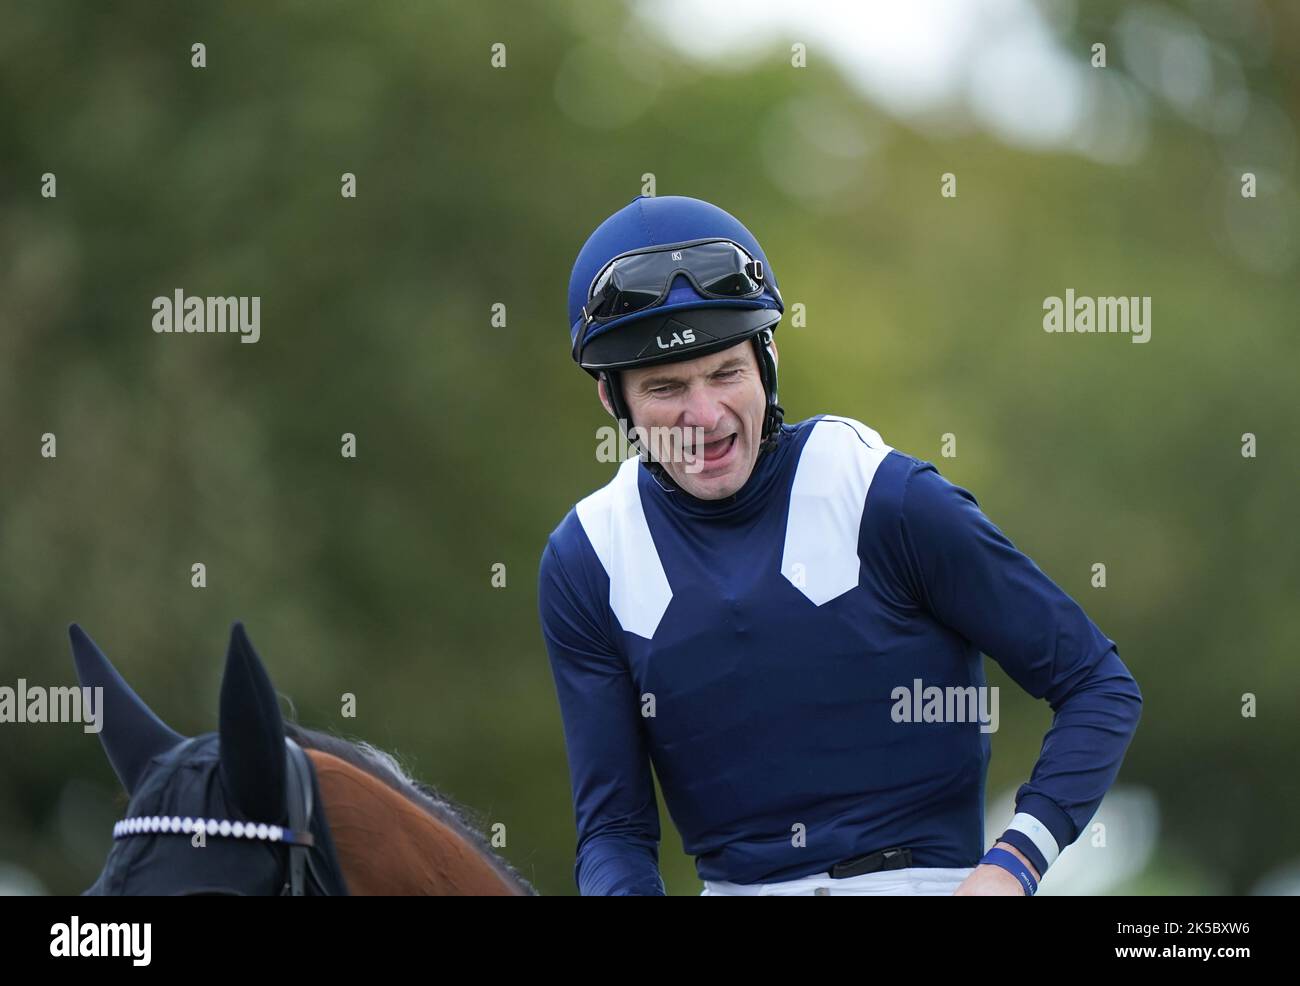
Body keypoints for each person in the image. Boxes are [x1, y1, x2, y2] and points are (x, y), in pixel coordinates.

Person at [537, 194, 1142, 896]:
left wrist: (1014, 865)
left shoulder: (888, 498)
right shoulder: (587, 559)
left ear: (767, 359)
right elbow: (614, 831)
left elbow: (1097, 684)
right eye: (666, 387)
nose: (703, 415)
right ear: (613, 401)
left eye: (726, 373)